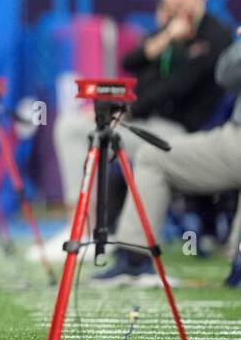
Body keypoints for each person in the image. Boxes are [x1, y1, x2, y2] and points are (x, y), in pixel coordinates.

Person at [42, 0, 234, 260]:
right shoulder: (169, 34)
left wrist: (124, 111)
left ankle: (108, 240)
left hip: (181, 134)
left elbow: (176, 88)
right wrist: (167, 37)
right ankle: (80, 225)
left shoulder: (217, 35)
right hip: (146, 124)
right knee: (71, 126)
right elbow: (132, 62)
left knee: (102, 137)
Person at [93, 28, 241, 285]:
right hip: (229, 137)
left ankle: (135, 259)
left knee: (152, 157)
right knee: (152, 156)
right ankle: (133, 255)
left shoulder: (211, 32)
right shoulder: (168, 34)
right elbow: (226, 75)